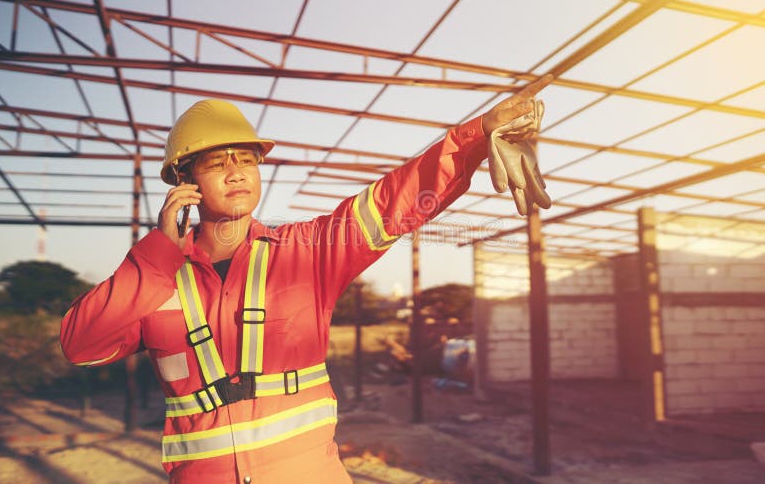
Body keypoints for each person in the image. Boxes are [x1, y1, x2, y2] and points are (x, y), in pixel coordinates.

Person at [60, 75, 553, 483]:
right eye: (216, 162)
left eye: (246, 159)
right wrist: (157, 254)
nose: (236, 172)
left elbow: (392, 204)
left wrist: (473, 139)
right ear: (186, 183)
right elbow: (82, 344)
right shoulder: (154, 278)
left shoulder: (304, 252)